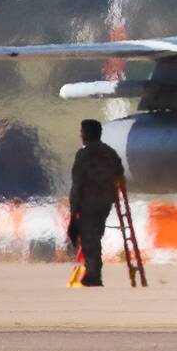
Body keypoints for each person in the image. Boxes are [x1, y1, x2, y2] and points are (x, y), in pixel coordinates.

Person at [68, 119, 124, 287]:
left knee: (88, 238)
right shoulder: (110, 152)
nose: (80, 135)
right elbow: (119, 174)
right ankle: (93, 271)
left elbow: (77, 184)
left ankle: (93, 273)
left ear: (87, 134)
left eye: (82, 132)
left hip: (89, 202)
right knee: (95, 234)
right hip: (106, 201)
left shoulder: (83, 155)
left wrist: (73, 210)